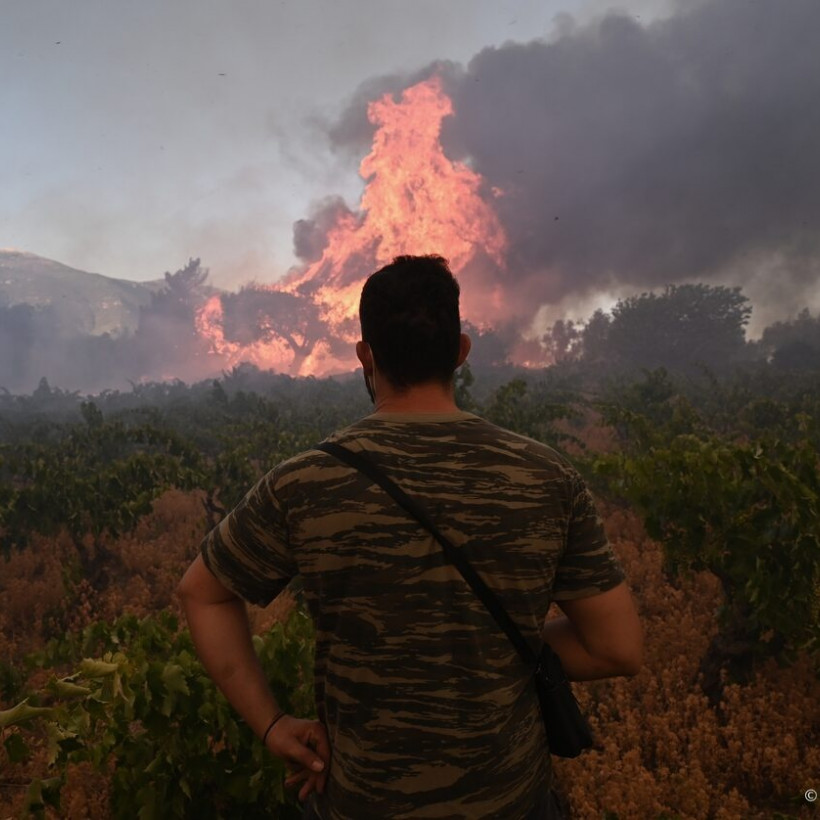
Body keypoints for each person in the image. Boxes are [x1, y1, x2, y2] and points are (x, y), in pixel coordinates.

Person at [177, 254, 643, 820]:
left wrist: (272, 724)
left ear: (365, 356)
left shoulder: (305, 481)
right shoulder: (545, 476)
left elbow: (201, 593)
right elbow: (617, 647)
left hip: (363, 802)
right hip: (509, 800)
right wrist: (492, 644)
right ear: (461, 351)